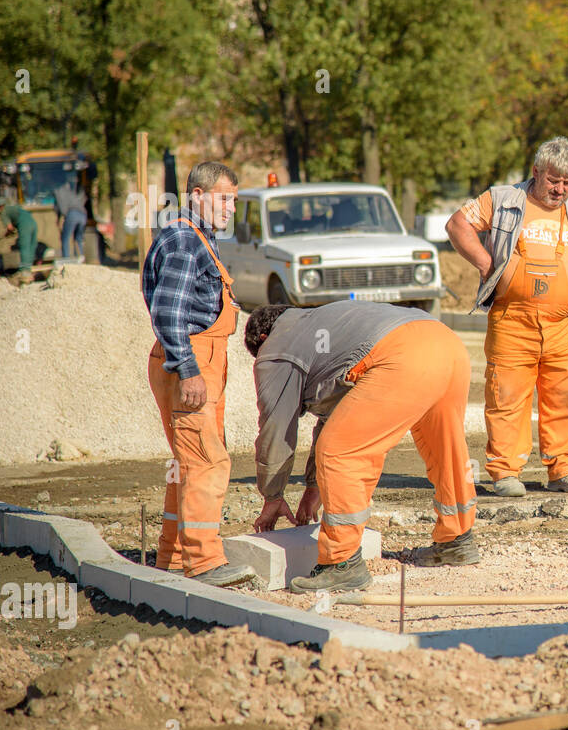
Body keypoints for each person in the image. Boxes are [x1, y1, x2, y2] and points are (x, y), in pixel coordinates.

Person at [445, 136, 568, 498]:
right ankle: (505, 472)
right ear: (536, 172)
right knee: (507, 396)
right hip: (511, 320)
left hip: (563, 323)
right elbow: (457, 225)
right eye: (553, 181)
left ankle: (564, 467)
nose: (560, 189)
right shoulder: (503, 199)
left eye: (567, 182)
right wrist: (486, 264)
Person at [247, 300, 478, 590]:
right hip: (445, 342)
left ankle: (341, 563)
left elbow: (275, 429)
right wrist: (314, 488)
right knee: (445, 446)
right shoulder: (321, 325)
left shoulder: (276, 348)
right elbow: (337, 415)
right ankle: (457, 540)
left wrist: (272, 495)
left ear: (263, 339)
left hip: (403, 354)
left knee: (341, 452)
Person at [142, 161, 255, 587]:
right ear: (197, 195)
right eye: (224, 198)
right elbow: (168, 313)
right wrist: (189, 371)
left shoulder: (198, 238)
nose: (230, 208)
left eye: (234, 200)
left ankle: (172, 557)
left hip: (202, 359)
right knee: (207, 460)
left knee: (187, 462)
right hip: (189, 362)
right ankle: (205, 563)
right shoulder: (186, 239)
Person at [53, 175, 88, 261]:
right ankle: (80, 257)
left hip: (72, 214)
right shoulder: (70, 191)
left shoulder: (58, 191)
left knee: (65, 237)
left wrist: (60, 219)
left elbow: (61, 207)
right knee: (78, 238)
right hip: (83, 215)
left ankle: (66, 259)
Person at [0, 203, 38, 279]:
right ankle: (29, 268)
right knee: (31, 246)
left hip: (24, 224)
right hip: (33, 222)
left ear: (0, 207)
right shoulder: (14, 206)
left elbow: (10, 227)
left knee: (24, 247)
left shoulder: (4, 212)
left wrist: (8, 234)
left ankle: (25, 271)